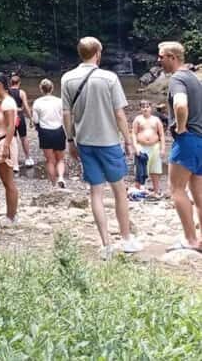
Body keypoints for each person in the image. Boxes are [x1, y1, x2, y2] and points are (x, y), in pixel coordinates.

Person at [61, 37, 142, 260]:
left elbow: (66, 113)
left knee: (95, 192)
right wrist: (128, 140)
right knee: (119, 191)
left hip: (85, 142)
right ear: (98, 52)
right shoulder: (109, 78)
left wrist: (70, 140)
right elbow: (119, 113)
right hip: (108, 142)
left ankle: (106, 244)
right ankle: (126, 239)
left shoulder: (67, 78)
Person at [158, 41, 202, 252]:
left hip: (187, 140)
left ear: (172, 57)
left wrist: (181, 127)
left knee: (176, 189)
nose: (159, 60)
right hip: (200, 140)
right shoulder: (194, 78)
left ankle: (190, 240)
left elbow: (180, 104)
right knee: (199, 193)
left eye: (161, 57)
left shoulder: (177, 79)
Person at [0, 72, 19, 226]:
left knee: (9, 182)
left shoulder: (7, 103)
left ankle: (12, 217)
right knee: (5, 181)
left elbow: (11, 125)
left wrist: (6, 145)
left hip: (5, 143)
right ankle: (10, 214)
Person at [32, 78, 67, 187]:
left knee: (50, 160)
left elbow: (36, 120)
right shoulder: (59, 101)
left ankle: (53, 184)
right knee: (60, 158)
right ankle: (61, 177)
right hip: (58, 131)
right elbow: (63, 116)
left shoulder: (37, 103)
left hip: (45, 132)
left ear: (41, 89)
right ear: (52, 88)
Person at [132, 99, 166, 196]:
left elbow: (162, 134)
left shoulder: (156, 120)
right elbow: (134, 134)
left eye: (147, 107)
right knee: (140, 169)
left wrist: (163, 148)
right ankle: (137, 190)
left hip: (155, 147)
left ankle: (156, 191)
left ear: (151, 108)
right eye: (143, 107)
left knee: (155, 170)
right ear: (140, 109)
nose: (145, 109)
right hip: (141, 147)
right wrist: (135, 147)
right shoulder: (138, 119)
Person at [9, 73, 34, 169]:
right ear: (19, 83)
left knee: (13, 139)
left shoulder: (7, 92)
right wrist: (31, 118)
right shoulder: (21, 92)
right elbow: (26, 106)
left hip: (11, 116)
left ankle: (14, 161)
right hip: (19, 115)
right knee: (23, 137)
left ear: (11, 83)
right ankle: (28, 158)